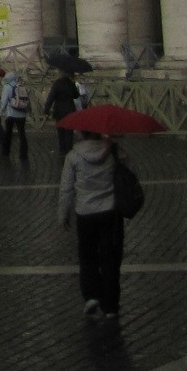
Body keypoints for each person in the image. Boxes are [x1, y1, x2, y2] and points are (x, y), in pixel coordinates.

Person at [59, 131, 128, 319]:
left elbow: (66, 188)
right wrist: (113, 145)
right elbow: (128, 168)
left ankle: (91, 295)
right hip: (110, 212)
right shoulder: (113, 152)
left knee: (87, 255)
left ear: (81, 133)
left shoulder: (73, 156)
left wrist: (63, 214)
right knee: (110, 258)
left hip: (85, 213)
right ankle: (111, 305)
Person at [44, 69, 81, 157]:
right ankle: (69, 150)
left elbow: (51, 97)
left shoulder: (57, 84)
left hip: (59, 111)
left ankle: (62, 150)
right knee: (69, 132)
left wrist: (46, 109)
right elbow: (76, 95)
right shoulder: (71, 83)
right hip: (70, 110)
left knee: (60, 132)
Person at [1, 71, 32, 163]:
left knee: (8, 133)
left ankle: (6, 151)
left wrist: (2, 111)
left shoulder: (7, 87)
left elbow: (4, 101)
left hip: (11, 113)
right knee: (22, 133)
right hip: (22, 114)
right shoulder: (21, 86)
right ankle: (23, 153)